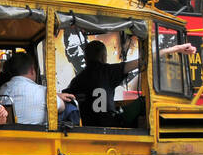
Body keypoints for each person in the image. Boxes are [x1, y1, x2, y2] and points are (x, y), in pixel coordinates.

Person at [64, 38, 195, 127]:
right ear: (103, 57)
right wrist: (175, 49)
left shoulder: (77, 80)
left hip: (89, 127)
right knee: (143, 101)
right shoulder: (109, 71)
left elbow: (65, 97)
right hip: (113, 124)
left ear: (86, 58)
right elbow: (144, 61)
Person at [0, 50, 78, 126]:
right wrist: (55, 96)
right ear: (32, 70)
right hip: (39, 139)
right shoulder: (43, 92)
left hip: (6, 138)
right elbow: (62, 107)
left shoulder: (1, 91)